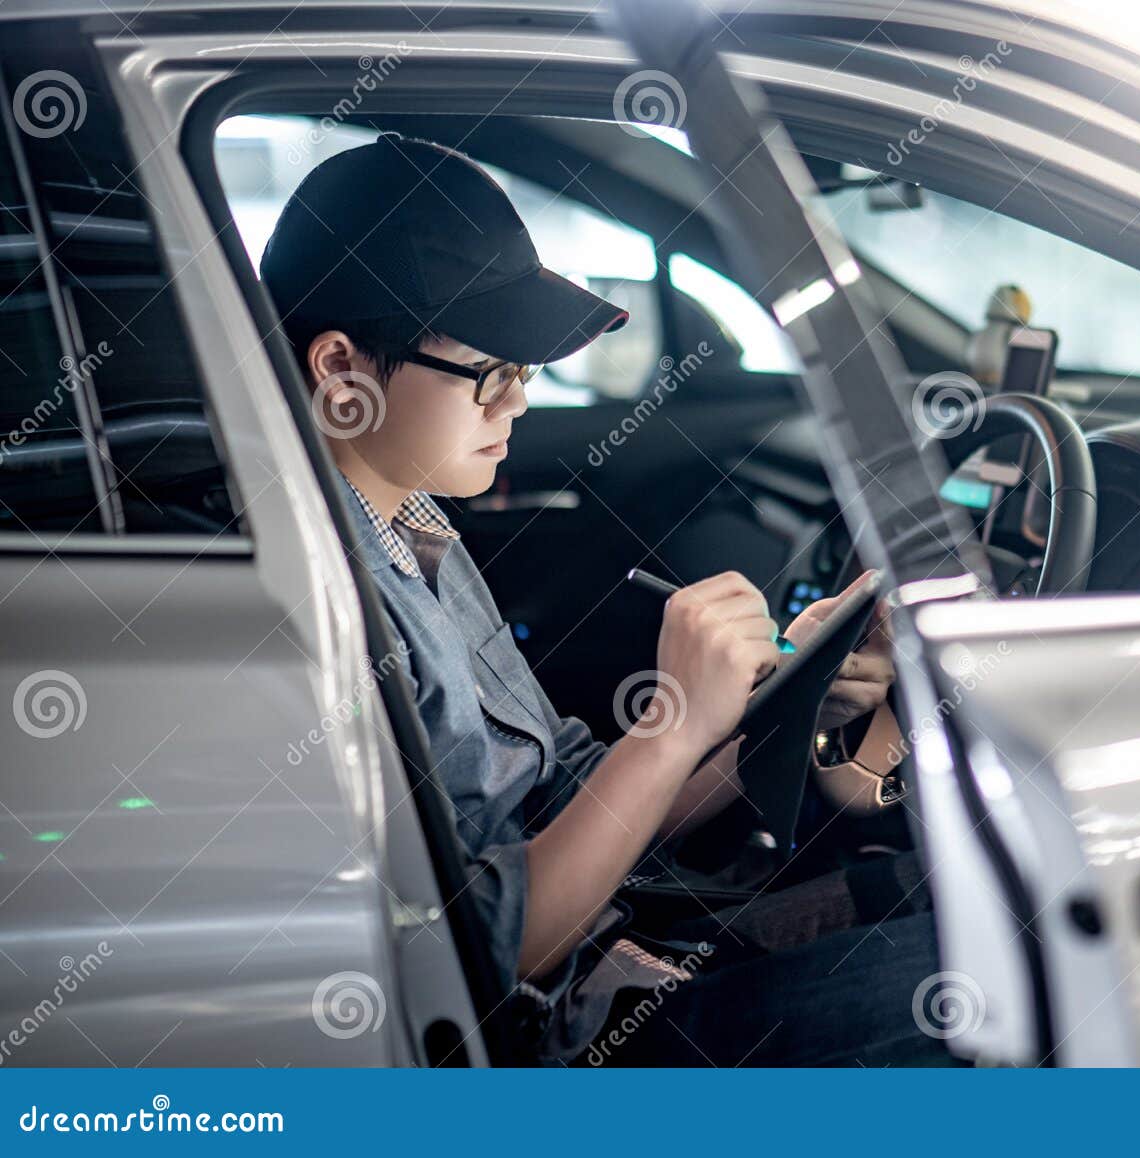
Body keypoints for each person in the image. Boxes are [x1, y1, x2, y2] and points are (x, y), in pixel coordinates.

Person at [259, 133, 955, 1065]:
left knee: (938, 898)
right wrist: (669, 733)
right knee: (1002, 976)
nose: (518, 406)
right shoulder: (322, 604)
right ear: (342, 368)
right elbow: (477, 957)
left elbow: (561, 798)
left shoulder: (412, 519)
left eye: (527, 374)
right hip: (551, 1042)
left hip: (611, 967)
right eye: (490, 375)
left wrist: (785, 698)